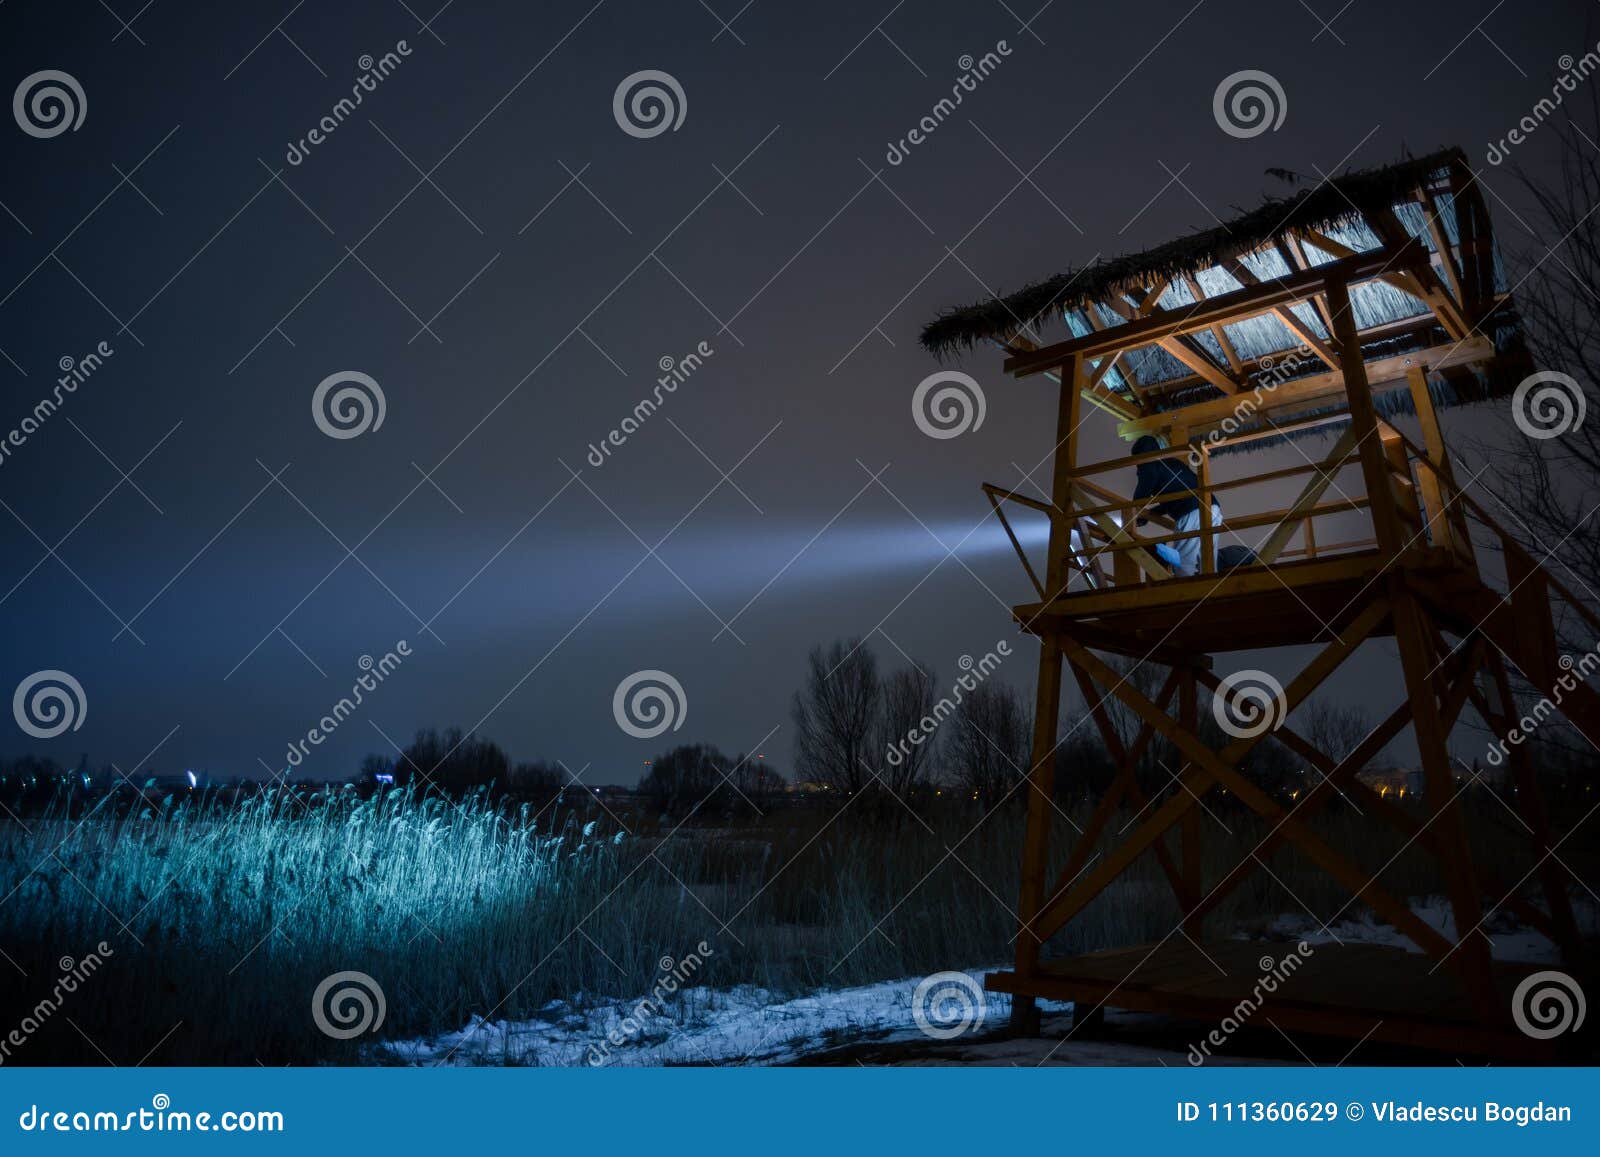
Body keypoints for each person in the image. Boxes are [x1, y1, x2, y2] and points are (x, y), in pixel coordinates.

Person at [1130, 434, 1223, 577]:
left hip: (1191, 511)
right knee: (1208, 558)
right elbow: (1172, 499)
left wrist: (1137, 514)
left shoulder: (1149, 464)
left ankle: (1186, 594)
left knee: (1183, 561)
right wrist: (1148, 515)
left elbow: (1140, 498)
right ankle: (1211, 589)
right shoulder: (1173, 462)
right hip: (1212, 507)